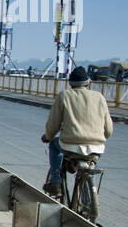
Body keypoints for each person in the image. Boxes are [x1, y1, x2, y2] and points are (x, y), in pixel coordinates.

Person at [42, 66, 112, 198]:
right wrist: (102, 137)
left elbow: (54, 124)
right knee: (89, 168)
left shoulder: (64, 96)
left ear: (71, 84)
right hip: (96, 147)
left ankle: (56, 181)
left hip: (70, 145)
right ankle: (88, 200)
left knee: (54, 145)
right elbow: (108, 129)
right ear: (88, 83)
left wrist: (48, 136)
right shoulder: (99, 97)